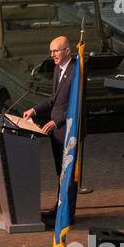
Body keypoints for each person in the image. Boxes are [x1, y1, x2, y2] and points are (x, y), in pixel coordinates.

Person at [22, 34, 74, 182]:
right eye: (51, 51)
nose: (52, 55)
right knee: (60, 170)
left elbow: (76, 105)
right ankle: (59, 202)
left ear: (67, 51)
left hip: (68, 130)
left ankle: (66, 204)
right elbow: (54, 98)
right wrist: (34, 110)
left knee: (68, 171)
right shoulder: (58, 69)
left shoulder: (76, 72)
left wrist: (55, 122)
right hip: (57, 133)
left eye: (56, 51)